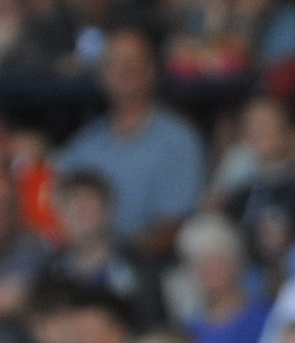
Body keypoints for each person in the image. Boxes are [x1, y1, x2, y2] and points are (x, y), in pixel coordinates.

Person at [56, 29, 205, 259]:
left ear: (151, 70)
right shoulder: (84, 145)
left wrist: (121, 258)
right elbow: (60, 213)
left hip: (152, 267)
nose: (124, 70)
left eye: (133, 62)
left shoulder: (179, 139)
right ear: (101, 75)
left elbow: (177, 225)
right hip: (84, 264)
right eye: (114, 63)